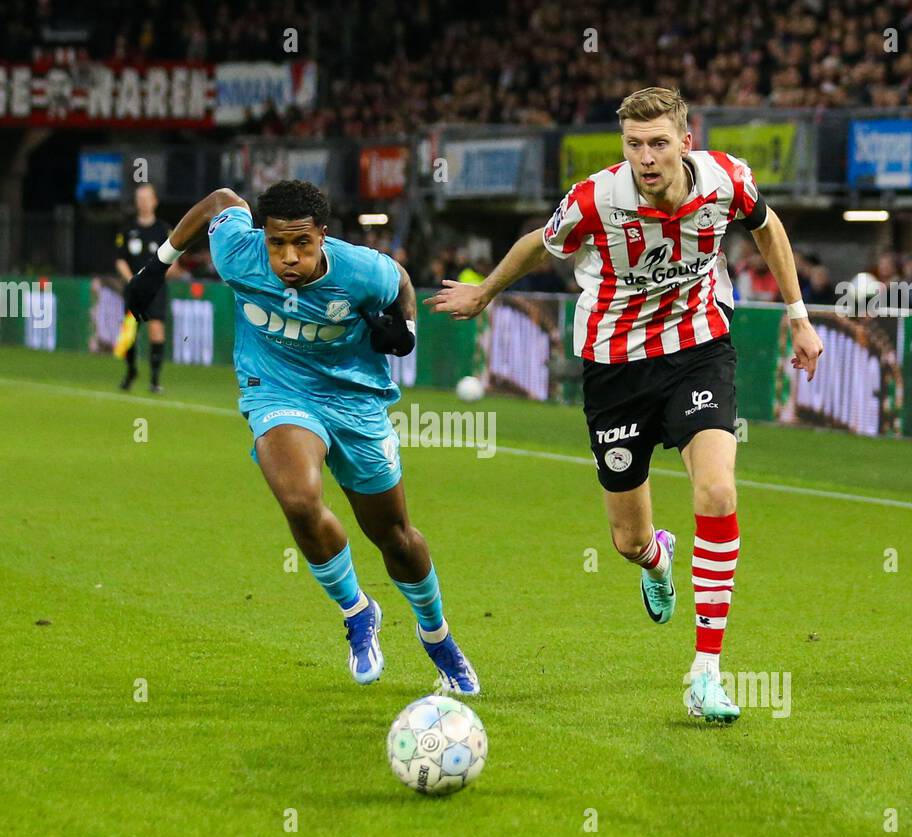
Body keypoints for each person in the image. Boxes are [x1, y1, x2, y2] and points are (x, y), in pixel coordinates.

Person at [427, 87, 822, 723]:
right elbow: (538, 243)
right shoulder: (596, 199)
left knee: (717, 492)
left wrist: (798, 316)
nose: (646, 156)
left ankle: (705, 672)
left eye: (658, 142)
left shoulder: (726, 181)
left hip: (699, 348)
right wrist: (484, 294)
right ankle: (657, 560)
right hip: (615, 368)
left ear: (685, 143)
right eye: (634, 144)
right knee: (627, 538)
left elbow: (767, 226)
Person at [124, 180, 479, 693]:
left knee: (395, 537)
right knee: (298, 498)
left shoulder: (361, 270)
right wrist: (159, 263)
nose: (288, 257)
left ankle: (436, 634)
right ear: (261, 237)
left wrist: (406, 331)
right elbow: (220, 200)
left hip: (355, 399)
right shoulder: (237, 252)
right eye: (276, 243)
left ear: (323, 236)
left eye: (302, 244)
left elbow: (401, 281)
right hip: (277, 391)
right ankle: (358, 611)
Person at [116, 184, 173, 392]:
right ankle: (130, 370)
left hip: (155, 289)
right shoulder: (127, 230)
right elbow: (120, 260)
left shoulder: (163, 230)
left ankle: (155, 380)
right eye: (139, 198)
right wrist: (132, 280)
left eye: (147, 198)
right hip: (135, 290)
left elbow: (172, 258)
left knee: (156, 330)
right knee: (129, 334)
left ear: (155, 201)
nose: (143, 202)